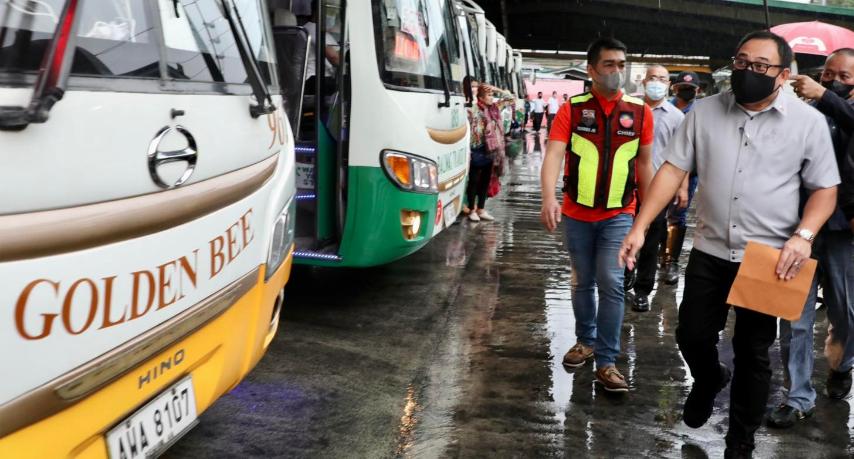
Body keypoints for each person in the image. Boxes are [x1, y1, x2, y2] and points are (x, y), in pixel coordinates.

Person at [619, 31, 839, 458]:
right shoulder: (704, 112)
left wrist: (803, 236)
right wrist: (641, 225)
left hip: (769, 256)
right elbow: (670, 171)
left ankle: (740, 440)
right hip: (711, 248)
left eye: (760, 66)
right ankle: (708, 378)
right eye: (741, 62)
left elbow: (825, 189)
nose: (748, 72)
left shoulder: (807, 123)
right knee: (691, 334)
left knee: (753, 351)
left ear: (783, 74)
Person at [540, 37, 654, 393]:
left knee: (611, 280)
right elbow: (554, 155)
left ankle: (607, 361)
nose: (616, 71)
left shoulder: (639, 112)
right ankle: (585, 341)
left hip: (620, 213)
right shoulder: (572, 110)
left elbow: (645, 166)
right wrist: (548, 198)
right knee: (581, 281)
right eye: (609, 65)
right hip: (576, 214)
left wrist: (644, 221)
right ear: (591, 70)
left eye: (621, 64)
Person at [767, 48, 854, 428]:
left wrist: (826, 96)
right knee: (794, 318)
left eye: (845, 76)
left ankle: (843, 362)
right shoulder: (802, 109)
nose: (835, 79)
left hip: (844, 230)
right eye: (830, 73)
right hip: (797, 228)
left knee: (847, 314)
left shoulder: (833, 104)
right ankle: (798, 395)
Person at [629, 65, 685, 312]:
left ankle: (642, 290)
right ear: (644, 82)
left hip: (657, 189)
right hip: (626, 186)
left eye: (662, 79)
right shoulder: (629, 109)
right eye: (653, 78)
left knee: (651, 239)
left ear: (669, 85)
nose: (657, 82)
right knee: (624, 232)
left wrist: (681, 187)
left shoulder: (676, 117)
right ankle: (624, 277)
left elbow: (684, 157)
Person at [661, 71, 701, 285]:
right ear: (674, 89)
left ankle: (670, 261)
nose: (686, 91)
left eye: (691, 88)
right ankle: (652, 257)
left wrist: (684, 183)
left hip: (688, 173)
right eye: (681, 87)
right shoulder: (664, 108)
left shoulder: (701, 113)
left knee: (677, 215)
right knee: (655, 215)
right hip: (661, 170)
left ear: (698, 90)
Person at [466, 84, 502, 222]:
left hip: (489, 148)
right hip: (475, 148)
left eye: (492, 95)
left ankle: (481, 209)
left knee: (485, 181)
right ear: (480, 98)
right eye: (489, 95)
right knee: (474, 181)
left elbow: (510, 99)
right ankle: (471, 209)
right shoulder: (472, 110)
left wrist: (495, 89)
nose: (492, 98)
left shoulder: (494, 109)